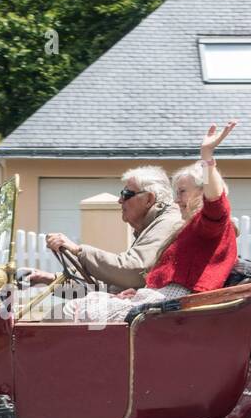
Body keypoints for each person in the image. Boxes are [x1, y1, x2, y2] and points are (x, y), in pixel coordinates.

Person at [66, 122, 240, 323]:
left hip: (174, 305)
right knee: (90, 300)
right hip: (166, 301)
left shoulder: (211, 224)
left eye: (182, 192)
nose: (176, 200)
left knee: (73, 308)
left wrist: (207, 157)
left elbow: (216, 205)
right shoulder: (194, 228)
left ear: (203, 192)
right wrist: (141, 291)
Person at [24, 166, 183, 293]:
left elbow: (131, 271)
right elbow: (109, 285)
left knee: (62, 317)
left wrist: (78, 250)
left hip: (153, 320)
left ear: (149, 199)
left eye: (126, 194)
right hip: (144, 315)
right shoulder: (151, 225)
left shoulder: (169, 222)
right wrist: (48, 278)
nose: (120, 200)